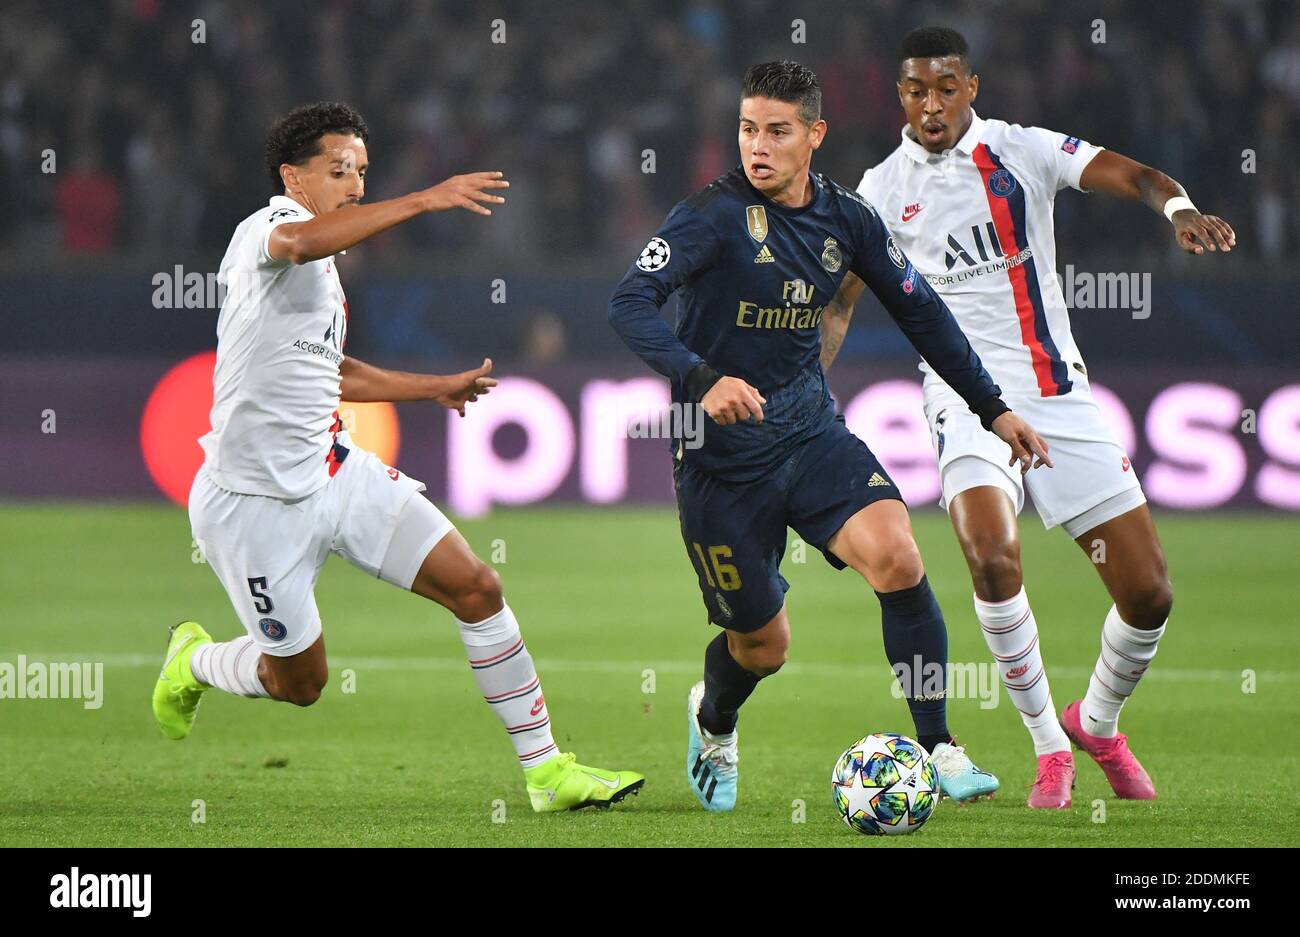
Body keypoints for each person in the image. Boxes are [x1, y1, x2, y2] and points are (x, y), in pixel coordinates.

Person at [153, 101, 644, 812]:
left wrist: (431, 388)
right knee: (301, 683)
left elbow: (328, 370)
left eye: (363, 171)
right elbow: (297, 242)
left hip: (333, 471)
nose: (355, 183)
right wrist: (425, 198)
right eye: (339, 170)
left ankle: (546, 771)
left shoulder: (323, 273)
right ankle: (193, 660)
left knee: (477, 587)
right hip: (253, 505)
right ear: (292, 176)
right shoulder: (264, 232)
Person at [610, 62, 1050, 813]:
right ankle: (713, 716)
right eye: (748, 129)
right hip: (721, 461)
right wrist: (700, 377)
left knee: (900, 557)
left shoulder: (847, 219)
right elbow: (630, 302)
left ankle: (938, 743)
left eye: (777, 131)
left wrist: (992, 406)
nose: (758, 146)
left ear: (815, 135)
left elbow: (924, 315)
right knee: (764, 646)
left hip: (809, 430)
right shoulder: (710, 217)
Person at [844, 27, 1236, 807]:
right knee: (991, 556)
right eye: (917, 89)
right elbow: (842, 301)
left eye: (946, 86)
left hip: (1059, 395)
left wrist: (1179, 209)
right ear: (901, 96)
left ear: (971, 87)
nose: (931, 103)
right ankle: (1048, 746)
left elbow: (1135, 173)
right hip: (964, 399)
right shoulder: (879, 189)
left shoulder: (1023, 150)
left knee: (1150, 594)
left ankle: (1096, 720)